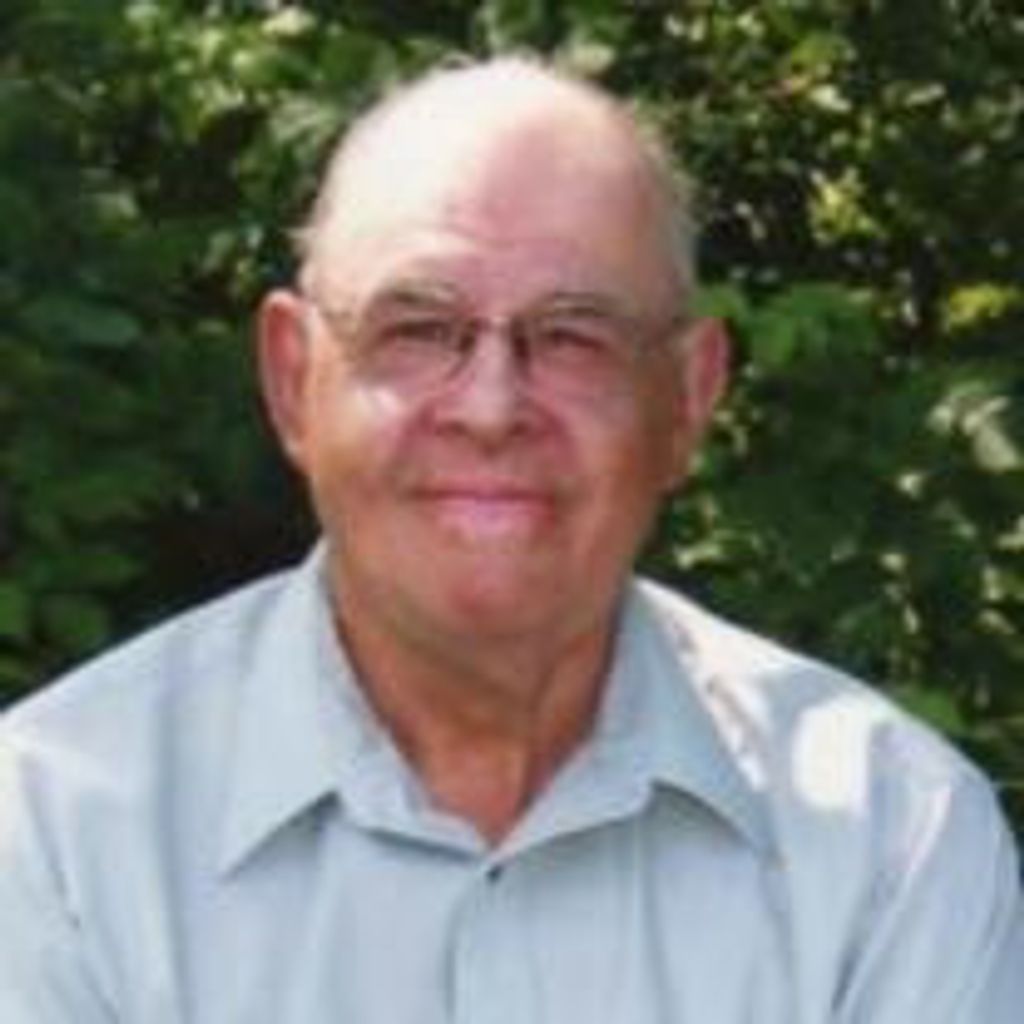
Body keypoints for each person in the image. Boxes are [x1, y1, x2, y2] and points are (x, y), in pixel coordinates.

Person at [1, 57, 1020, 1024]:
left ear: (686, 398)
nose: (490, 409)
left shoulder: (887, 838)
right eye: (416, 328)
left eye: (574, 336)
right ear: (292, 380)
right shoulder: (55, 830)